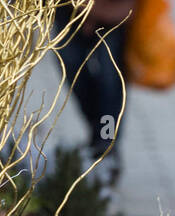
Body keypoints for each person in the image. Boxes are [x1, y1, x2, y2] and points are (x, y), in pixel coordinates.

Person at [55, 1, 137, 184]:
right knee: (71, 66)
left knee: (110, 78)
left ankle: (106, 144)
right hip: (67, 8)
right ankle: (100, 133)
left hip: (117, 7)